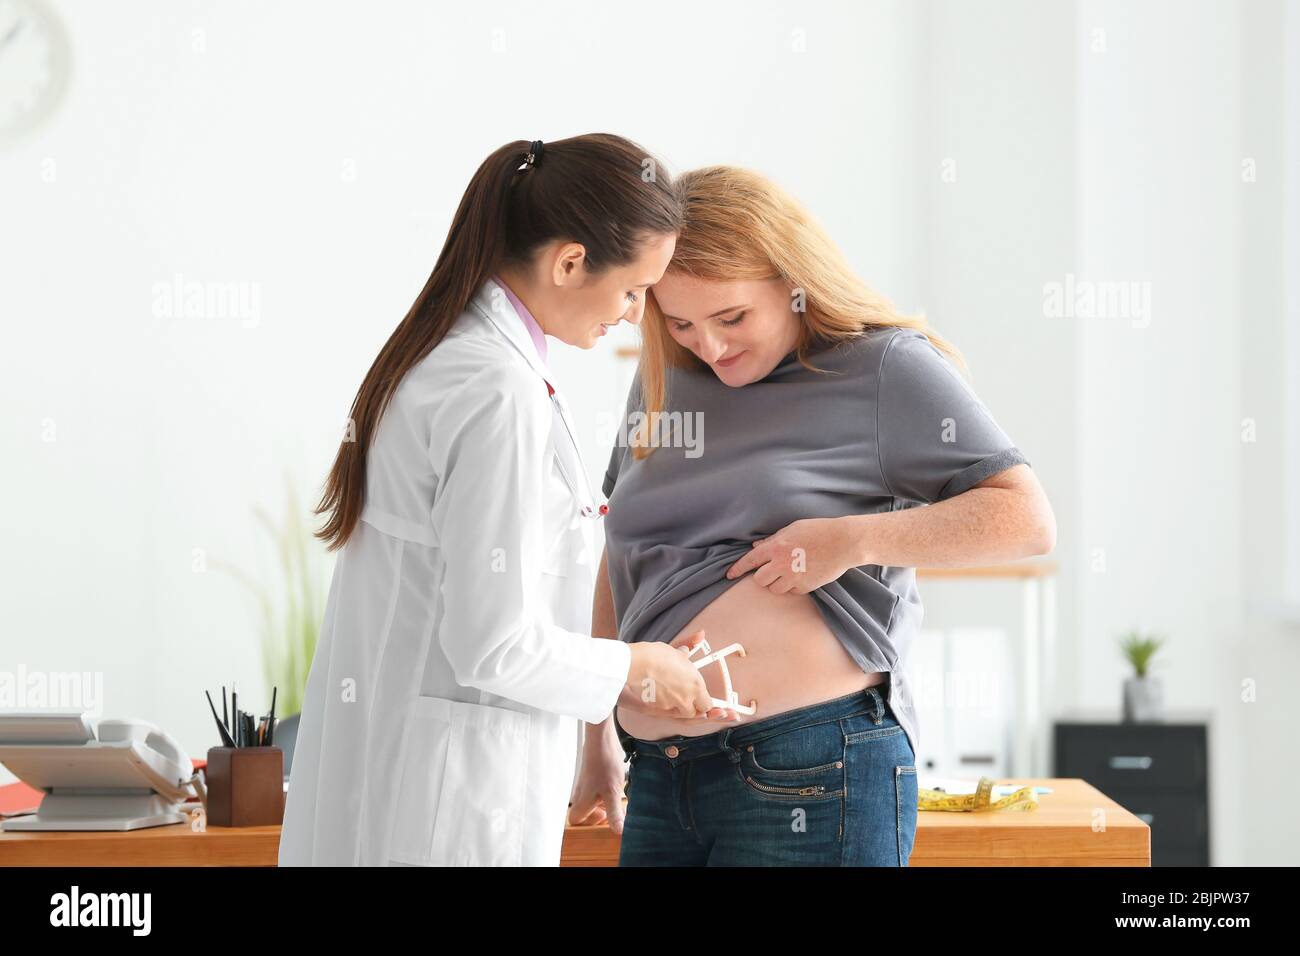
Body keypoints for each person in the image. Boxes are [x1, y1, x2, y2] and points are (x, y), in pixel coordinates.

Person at [571, 165, 1056, 865]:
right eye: (680, 321)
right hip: (658, 774)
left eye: (731, 318)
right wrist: (596, 742)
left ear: (792, 280)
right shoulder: (665, 379)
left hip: (811, 766)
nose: (708, 345)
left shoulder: (883, 367)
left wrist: (850, 539)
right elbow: (622, 563)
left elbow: (1026, 519)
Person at [279, 136, 736, 868]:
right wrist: (636, 668)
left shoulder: (461, 360)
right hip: (439, 813)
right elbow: (493, 643)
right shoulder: (496, 390)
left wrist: (593, 742)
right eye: (633, 289)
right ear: (568, 261)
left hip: (420, 787)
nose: (634, 314)